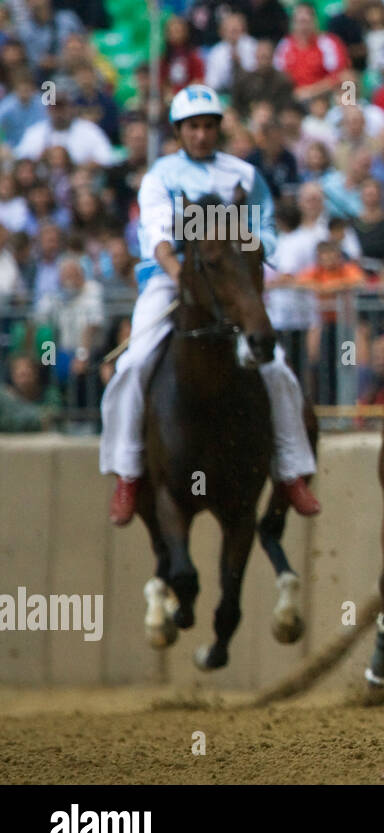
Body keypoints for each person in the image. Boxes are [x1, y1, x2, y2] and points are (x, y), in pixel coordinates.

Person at [98, 85, 321, 525]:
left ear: (218, 129)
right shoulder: (160, 175)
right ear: (180, 132)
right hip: (171, 283)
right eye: (192, 127)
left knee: (275, 369)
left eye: (208, 127)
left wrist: (244, 251)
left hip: (230, 284)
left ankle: (292, 471)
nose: (201, 135)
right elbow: (159, 239)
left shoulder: (243, 174)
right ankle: (128, 472)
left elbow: (266, 230)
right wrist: (184, 277)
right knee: (134, 362)